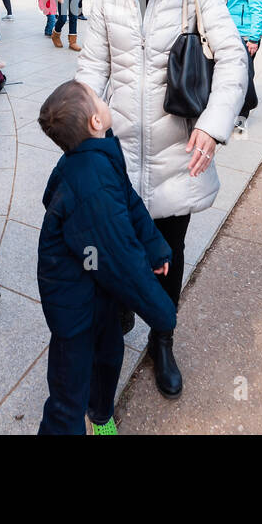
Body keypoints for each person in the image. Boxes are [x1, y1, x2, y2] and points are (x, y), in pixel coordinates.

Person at [75, 0, 247, 399]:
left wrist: (214, 126)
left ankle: (163, 336)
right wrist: (87, 130)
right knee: (119, 243)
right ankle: (125, 305)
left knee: (169, 252)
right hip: (119, 146)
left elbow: (233, 58)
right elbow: (92, 66)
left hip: (179, 147)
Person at [35, 80, 176, 435]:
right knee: (69, 383)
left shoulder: (99, 156)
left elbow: (130, 203)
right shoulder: (91, 183)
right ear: (96, 122)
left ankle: (100, 414)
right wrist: (161, 311)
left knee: (109, 355)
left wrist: (155, 245)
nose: (103, 97)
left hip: (98, 293)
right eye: (98, 98)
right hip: (73, 305)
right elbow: (122, 260)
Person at [216, 0, 262, 133]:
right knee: (227, 74)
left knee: (245, 74)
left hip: (245, 34)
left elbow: (256, 9)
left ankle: (244, 110)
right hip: (224, 33)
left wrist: (254, 38)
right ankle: (231, 108)